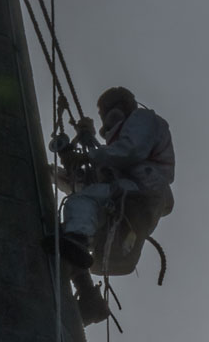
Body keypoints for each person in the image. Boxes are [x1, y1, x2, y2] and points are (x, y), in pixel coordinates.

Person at [54, 86, 174, 273]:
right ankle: (81, 243)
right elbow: (93, 182)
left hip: (141, 189)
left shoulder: (143, 119)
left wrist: (88, 156)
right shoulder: (112, 155)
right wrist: (57, 173)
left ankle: (78, 240)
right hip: (130, 195)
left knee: (85, 199)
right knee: (83, 201)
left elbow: (131, 149)